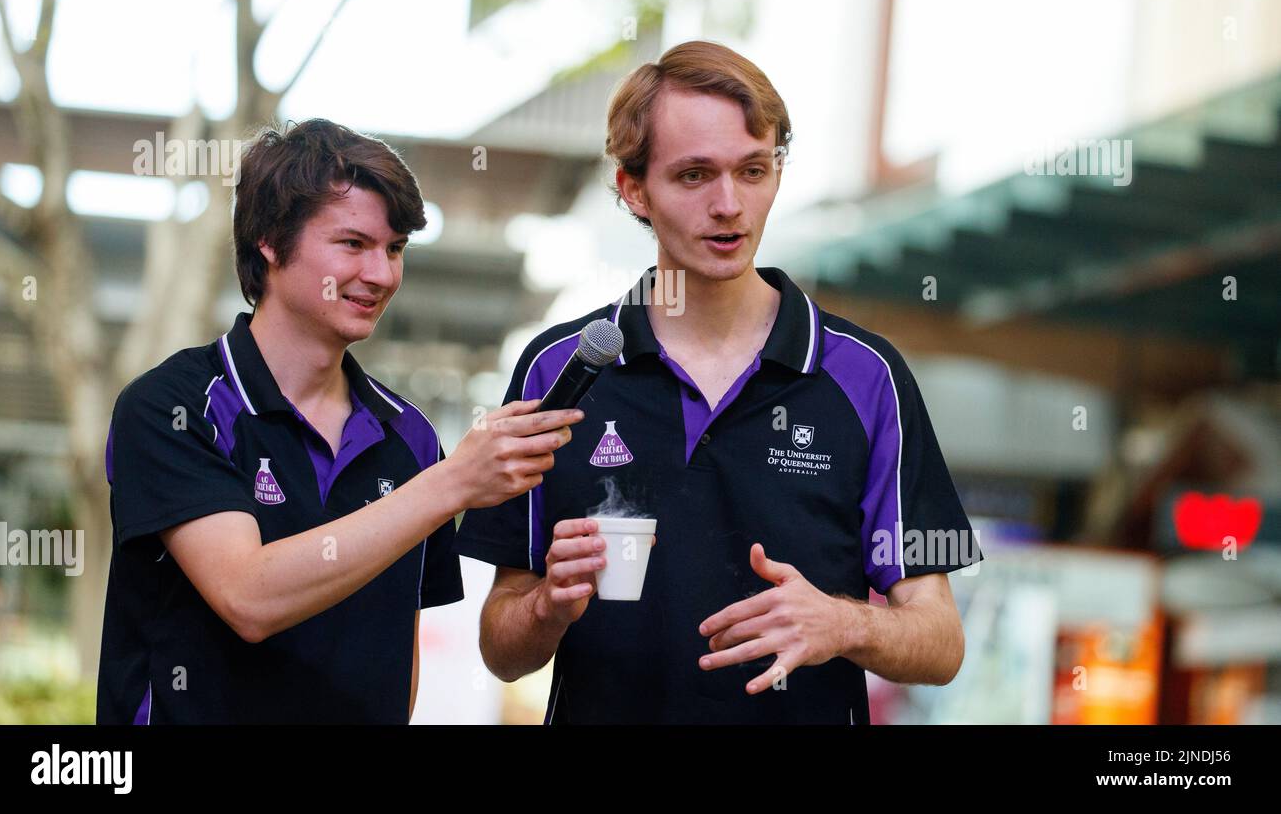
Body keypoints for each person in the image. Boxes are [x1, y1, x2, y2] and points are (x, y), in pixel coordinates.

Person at [456, 41, 983, 723]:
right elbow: (502, 651)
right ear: (633, 188)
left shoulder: (866, 376)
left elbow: (941, 642)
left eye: (753, 170)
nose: (730, 204)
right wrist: (546, 606)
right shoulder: (562, 368)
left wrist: (846, 624)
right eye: (695, 175)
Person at [96, 119, 583, 723]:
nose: (381, 275)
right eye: (353, 245)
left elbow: (396, 665)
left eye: (395, 249)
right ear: (270, 242)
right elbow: (248, 596)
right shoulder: (171, 408)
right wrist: (452, 482)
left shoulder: (411, 438)